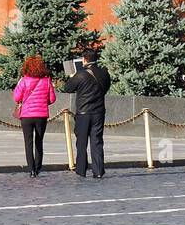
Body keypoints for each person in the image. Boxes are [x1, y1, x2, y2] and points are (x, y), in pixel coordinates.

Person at [64, 47, 111, 178]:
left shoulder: (80, 74)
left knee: (81, 142)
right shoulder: (104, 73)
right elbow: (106, 88)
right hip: (98, 112)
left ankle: (81, 170)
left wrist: (71, 77)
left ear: (84, 59)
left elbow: (67, 88)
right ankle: (98, 171)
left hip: (83, 113)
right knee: (97, 141)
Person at [12, 55, 57, 176]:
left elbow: (16, 97)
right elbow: (52, 99)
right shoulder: (47, 80)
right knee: (39, 141)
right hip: (41, 115)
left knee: (28, 142)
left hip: (26, 116)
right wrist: (43, 102)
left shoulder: (24, 80)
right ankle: (37, 168)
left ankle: (31, 170)